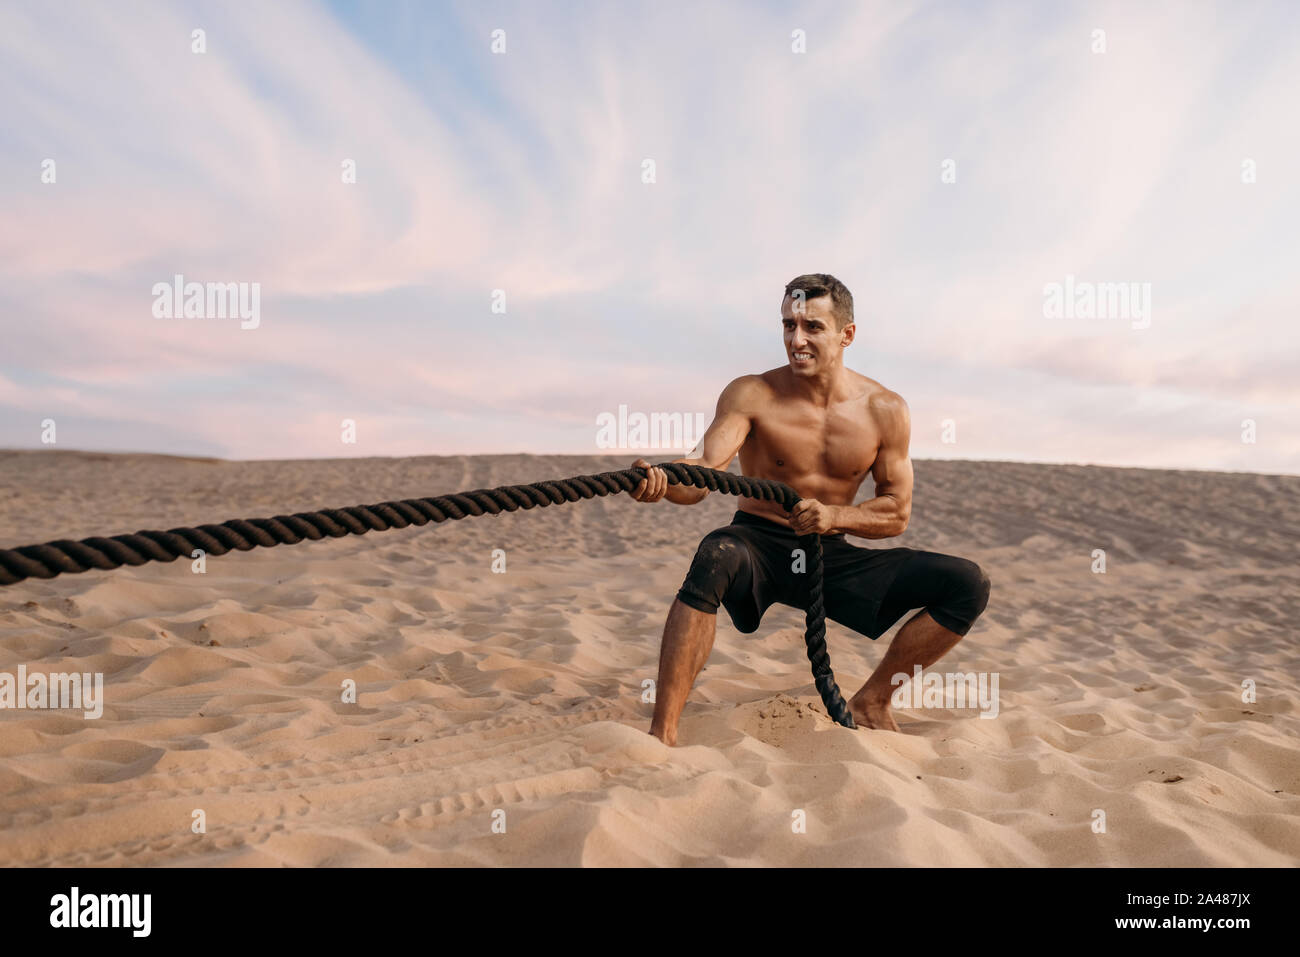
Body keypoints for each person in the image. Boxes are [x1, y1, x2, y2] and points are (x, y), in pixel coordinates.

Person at [628, 273, 990, 746]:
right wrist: (663, 481)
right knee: (714, 554)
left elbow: (896, 512)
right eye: (788, 326)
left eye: (812, 327)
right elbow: (702, 471)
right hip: (756, 543)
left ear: (847, 334)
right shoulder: (751, 393)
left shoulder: (885, 409)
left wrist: (834, 516)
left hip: (829, 550)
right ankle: (663, 733)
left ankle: (873, 701)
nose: (796, 340)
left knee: (966, 582)